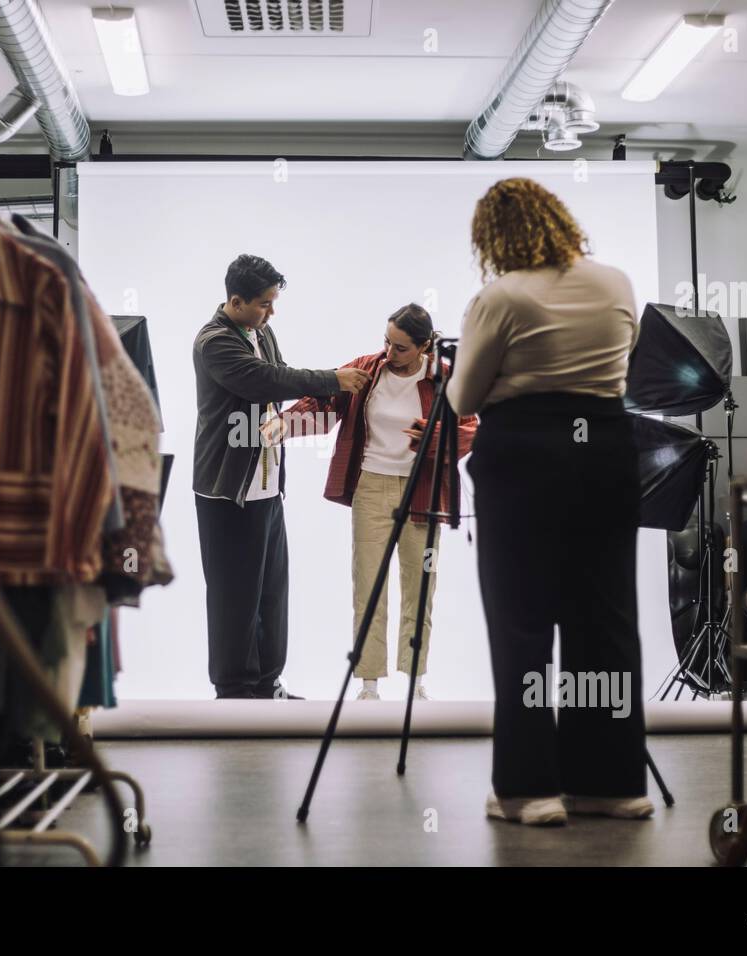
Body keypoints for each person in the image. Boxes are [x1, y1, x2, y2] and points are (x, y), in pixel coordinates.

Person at [447, 177, 651, 826]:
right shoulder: (616, 282)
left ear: (493, 237)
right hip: (609, 452)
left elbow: (464, 398)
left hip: (524, 458)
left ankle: (528, 790)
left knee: (523, 624)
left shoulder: (499, 296)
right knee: (606, 622)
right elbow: (622, 366)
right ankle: (613, 784)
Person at [193, 254, 370, 699]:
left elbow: (275, 384)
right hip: (227, 492)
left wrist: (299, 413)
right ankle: (235, 690)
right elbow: (265, 381)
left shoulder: (261, 331)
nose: (271, 313)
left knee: (272, 593)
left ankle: (268, 683)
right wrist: (332, 380)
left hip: (267, 487)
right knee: (235, 597)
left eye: (273, 303)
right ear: (235, 300)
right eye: (264, 304)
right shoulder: (214, 341)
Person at [278, 305, 476, 701]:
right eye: (386, 341)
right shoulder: (368, 369)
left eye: (401, 347)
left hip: (422, 488)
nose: (389, 351)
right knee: (367, 585)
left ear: (424, 346)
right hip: (371, 486)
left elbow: (469, 428)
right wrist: (284, 423)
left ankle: (416, 681)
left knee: (420, 586)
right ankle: (368, 683)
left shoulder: (444, 376)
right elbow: (324, 401)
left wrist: (431, 437)